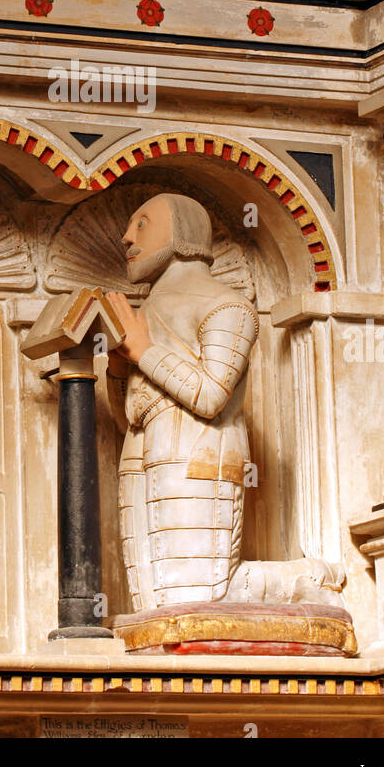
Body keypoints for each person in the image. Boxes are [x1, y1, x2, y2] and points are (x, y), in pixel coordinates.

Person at [105, 193, 258, 611]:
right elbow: (128, 417)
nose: (125, 237)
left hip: (195, 455)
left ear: (182, 231)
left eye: (142, 223)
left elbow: (210, 397)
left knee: (192, 598)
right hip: (140, 453)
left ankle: (305, 580)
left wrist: (143, 352)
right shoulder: (146, 311)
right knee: (150, 604)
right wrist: (119, 370)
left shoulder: (227, 304)